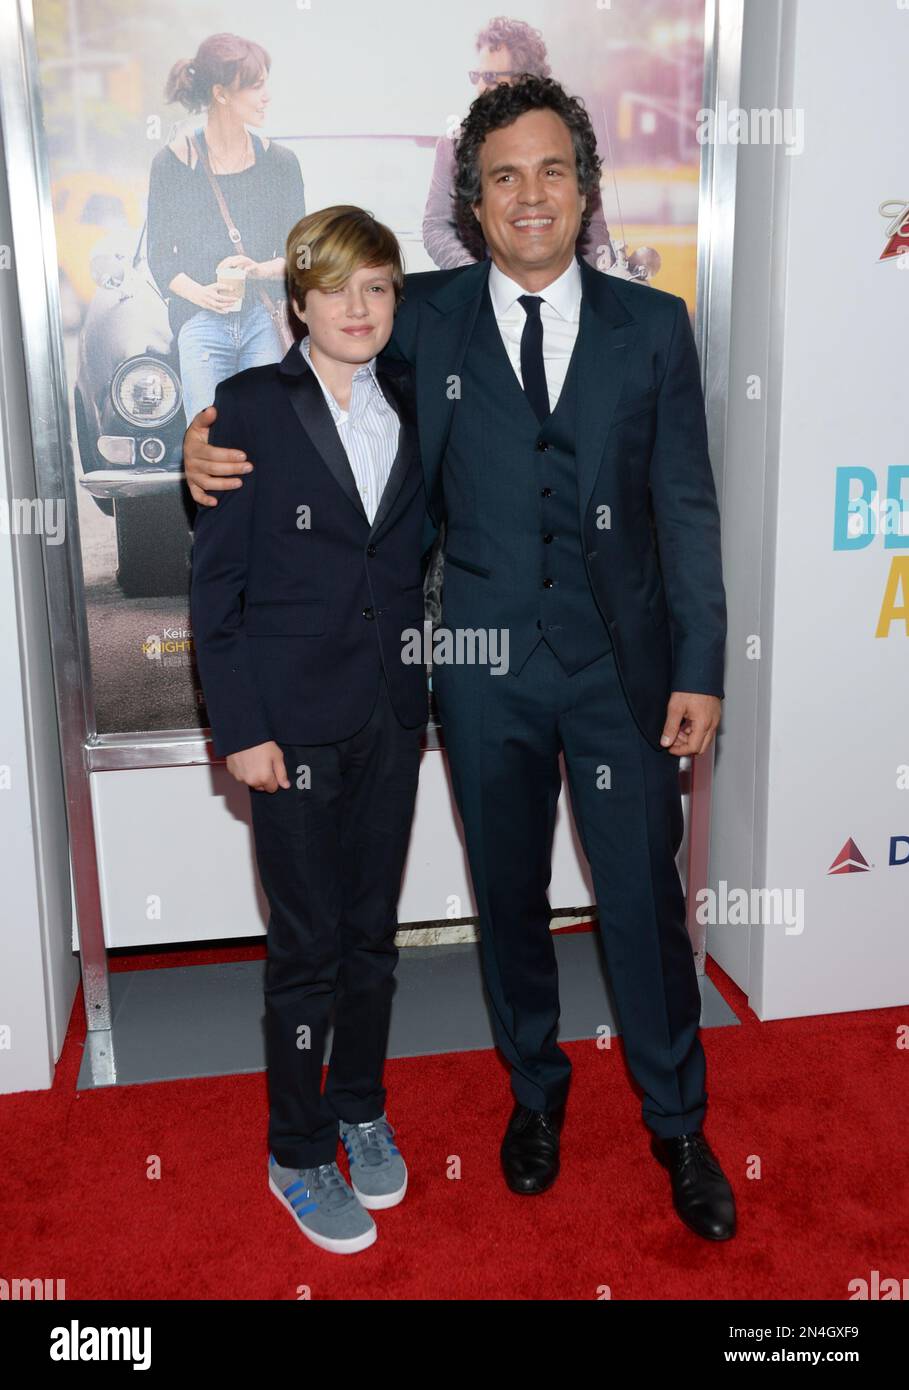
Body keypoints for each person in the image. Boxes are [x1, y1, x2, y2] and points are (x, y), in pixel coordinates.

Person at [183, 76, 736, 1243]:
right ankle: (536, 1096)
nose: (528, 196)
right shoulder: (420, 314)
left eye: (551, 172)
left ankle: (679, 1124)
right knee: (510, 901)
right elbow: (303, 375)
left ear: (585, 190)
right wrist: (206, 434)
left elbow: (687, 509)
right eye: (502, 177)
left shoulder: (656, 328)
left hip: (622, 675)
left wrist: (700, 666)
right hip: (481, 672)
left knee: (641, 897)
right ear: (473, 202)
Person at [189, 206, 429, 1254]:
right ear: (296, 302)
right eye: (335, 288)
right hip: (288, 725)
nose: (357, 307)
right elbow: (217, 589)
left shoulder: (421, 400)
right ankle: (296, 1149)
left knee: (375, 934)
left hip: (390, 709)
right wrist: (240, 728)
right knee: (307, 947)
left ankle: (360, 1106)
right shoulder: (246, 405)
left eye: (376, 287)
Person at [147, 32, 306, 426]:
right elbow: (160, 259)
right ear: (220, 93)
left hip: (264, 319)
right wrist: (202, 295)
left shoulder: (281, 163)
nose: (266, 96)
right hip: (199, 324)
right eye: (255, 86)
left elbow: (301, 256)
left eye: (265, 83)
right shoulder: (173, 164)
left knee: (269, 439)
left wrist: (258, 270)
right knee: (211, 443)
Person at [422, 16, 613, 273]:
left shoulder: (566, 140)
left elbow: (594, 227)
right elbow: (436, 225)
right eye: (476, 76)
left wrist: (587, 286)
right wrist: (474, 274)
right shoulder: (452, 147)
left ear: (525, 78)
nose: (480, 86)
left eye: (489, 76)